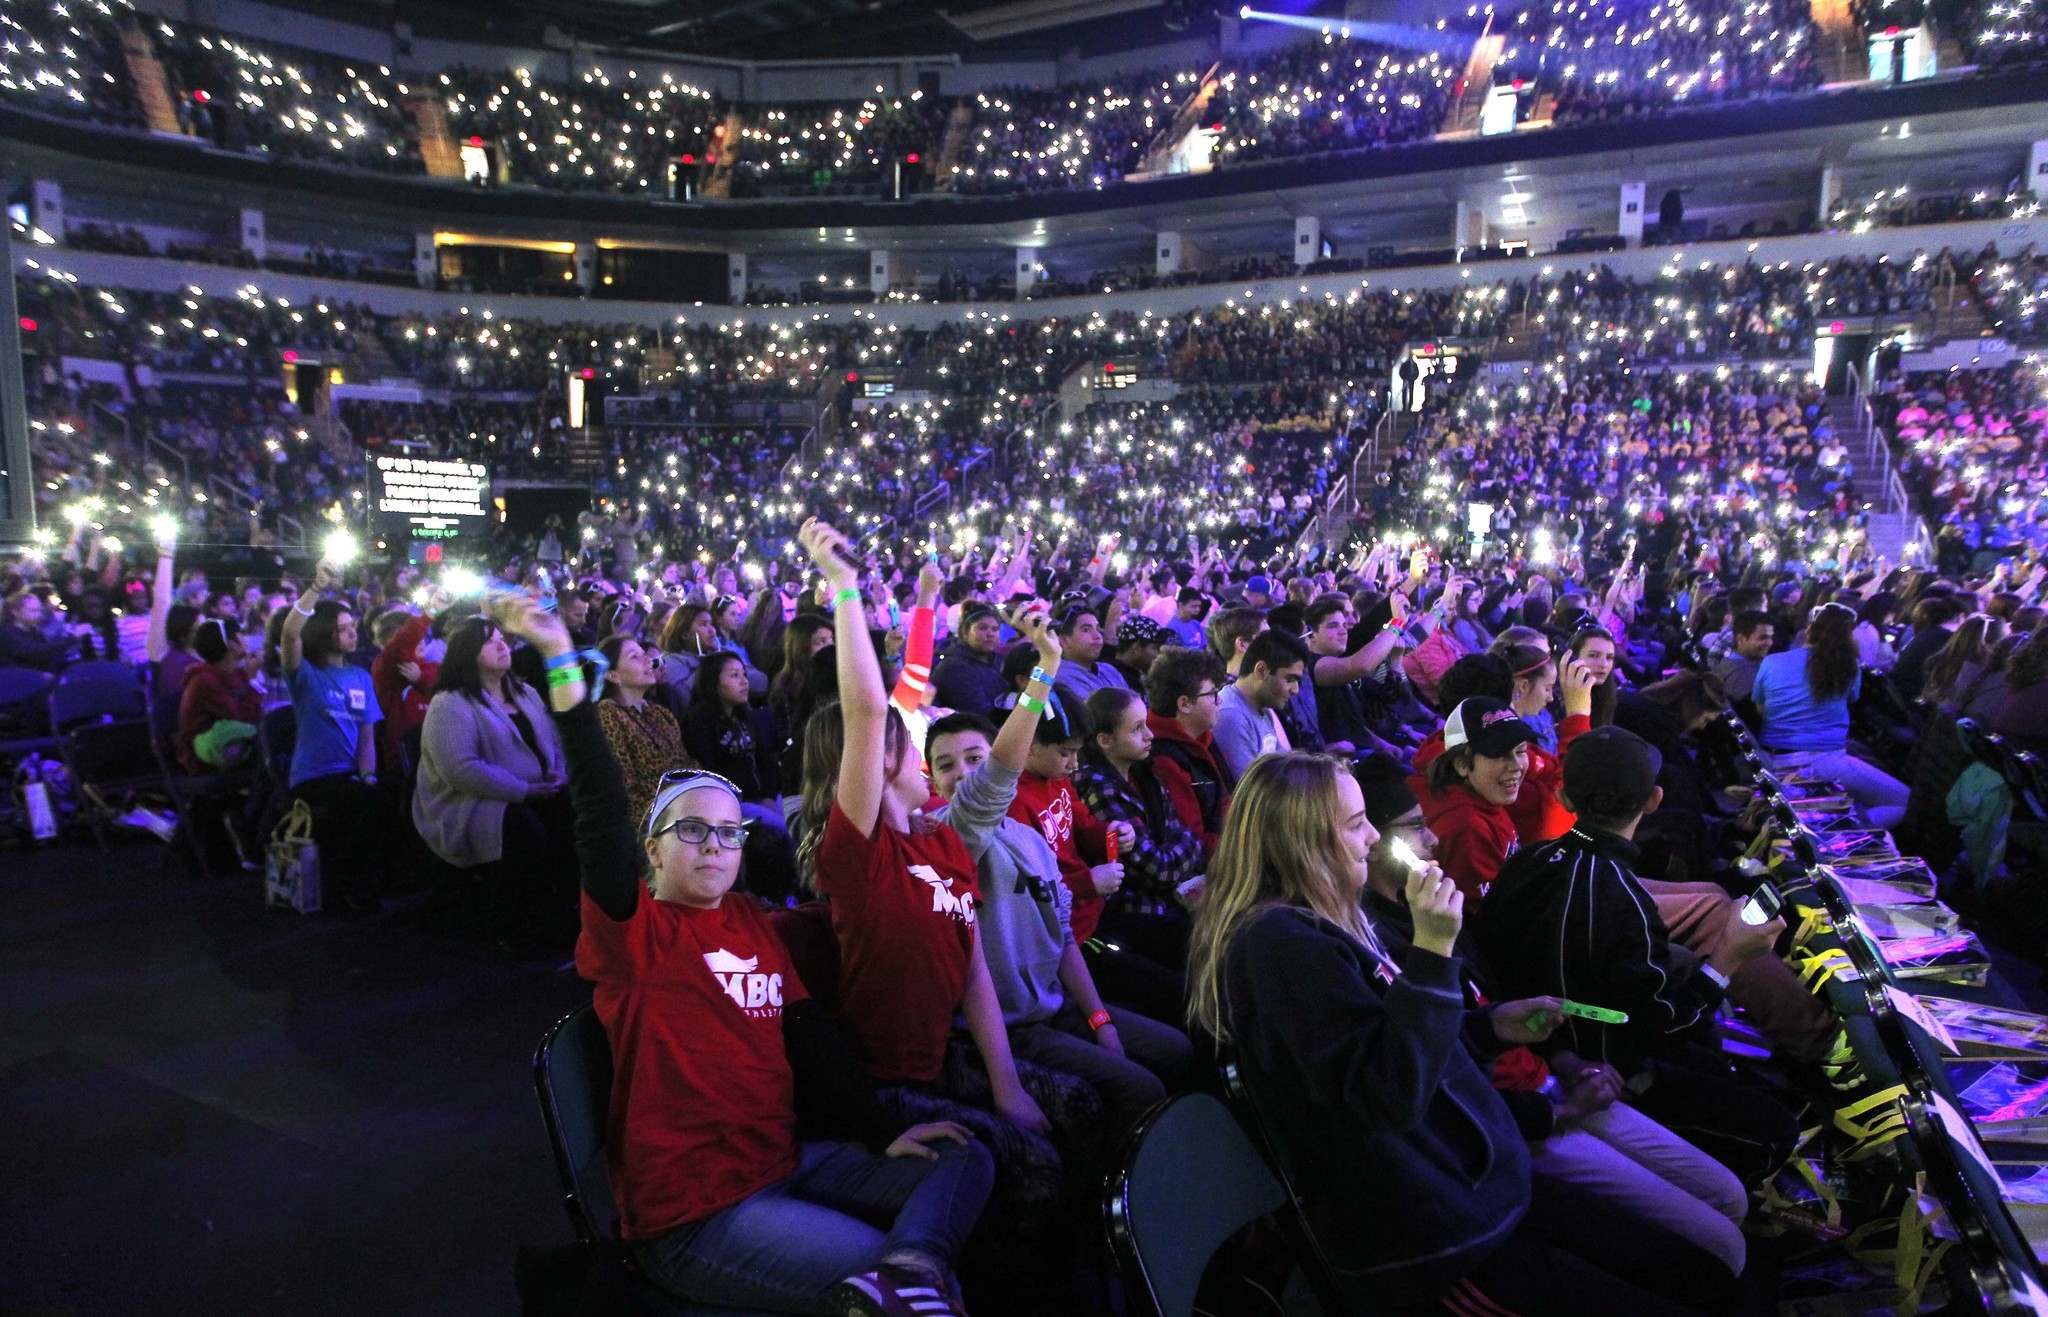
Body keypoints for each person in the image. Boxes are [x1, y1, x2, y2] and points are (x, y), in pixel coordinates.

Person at [489, 594, 991, 1317]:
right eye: (692, 831)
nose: (717, 845)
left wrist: (882, 1132)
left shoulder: (750, 921)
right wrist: (563, 663)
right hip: (697, 1212)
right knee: (890, 1286)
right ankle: (905, 1273)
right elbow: (599, 807)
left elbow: (810, 1036)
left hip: (783, 1159)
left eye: (730, 833)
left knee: (964, 1157)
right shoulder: (633, 931)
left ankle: (913, 1261)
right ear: (652, 852)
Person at [1185, 752, 1715, 1316]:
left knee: (1698, 1272)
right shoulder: (1279, 947)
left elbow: (1381, 1043)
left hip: (1479, 1183)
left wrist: (1486, 1028)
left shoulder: (1320, 920)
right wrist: (1433, 952)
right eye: (1353, 823)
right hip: (1437, 1241)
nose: (1370, 838)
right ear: (1301, 842)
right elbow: (1385, 1094)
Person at [1356, 759, 1748, 1283]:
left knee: (1730, 1197)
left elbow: (1486, 1009)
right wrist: (1729, 961)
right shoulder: (1390, 945)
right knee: (1725, 1249)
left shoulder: (1430, 905)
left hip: (1549, 1082)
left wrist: (1563, 1059)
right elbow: (1438, 1090)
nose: (1430, 838)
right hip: (1517, 1128)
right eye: (1412, 828)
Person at [793, 518, 1074, 1208]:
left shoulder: (941, 838)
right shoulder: (855, 855)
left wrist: (1044, 671)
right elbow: (864, 710)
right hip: (888, 1082)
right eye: (912, 745)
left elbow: (969, 959)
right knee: (1034, 1168)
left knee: (1084, 1114)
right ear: (880, 762)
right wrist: (846, 588)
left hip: (953, 1058)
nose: (929, 758)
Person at [1474, 727, 1801, 1189]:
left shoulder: (1529, 861)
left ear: (1566, 798)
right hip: (1609, 1078)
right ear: (1653, 800)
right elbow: (1662, 1027)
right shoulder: (1623, 899)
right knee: (1778, 1128)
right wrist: (1729, 956)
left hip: (1544, 1049)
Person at [923, 640, 1192, 1134]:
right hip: (1013, 1028)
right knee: (1142, 1089)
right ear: (932, 780)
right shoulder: (945, 841)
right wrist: (1045, 670)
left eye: (975, 758)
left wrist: (1100, 1023)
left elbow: (1061, 935)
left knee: (1177, 1049)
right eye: (946, 765)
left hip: (1057, 1003)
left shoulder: (1029, 836)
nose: (963, 773)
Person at [413, 615, 573, 951]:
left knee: (576, 814)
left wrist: (558, 772)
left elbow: (553, 741)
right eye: (490, 641)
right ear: (468, 653)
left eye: (503, 638)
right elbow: (460, 769)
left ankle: (564, 909)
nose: (503, 645)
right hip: (470, 802)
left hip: (537, 789)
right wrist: (523, 791)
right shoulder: (451, 703)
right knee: (523, 828)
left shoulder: (525, 692)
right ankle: (512, 924)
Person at [1073, 686, 1209, 1019]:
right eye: (1136, 729)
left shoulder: (1143, 772)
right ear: (1105, 740)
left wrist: (1180, 848)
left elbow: (1187, 835)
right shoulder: (1098, 787)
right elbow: (1156, 869)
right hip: (1132, 917)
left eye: (1146, 724)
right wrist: (1183, 849)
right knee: (1207, 967)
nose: (1150, 735)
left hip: (1166, 906)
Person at [278, 563, 383, 909]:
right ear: (324, 634)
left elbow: (367, 735)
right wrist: (316, 589)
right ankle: (351, 894)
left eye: (353, 626)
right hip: (314, 776)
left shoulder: (360, 676)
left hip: (350, 775)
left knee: (377, 799)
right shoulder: (305, 675)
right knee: (355, 810)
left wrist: (368, 775)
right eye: (344, 628)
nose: (354, 632)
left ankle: (363, 889)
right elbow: (290, 635)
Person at [1752, 602, 1909, 828]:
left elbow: (1761, 709)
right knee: (1905, 801)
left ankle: (1842, 824)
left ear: (1809, 629)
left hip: (1776, 759)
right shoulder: (1848, 666)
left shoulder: (1772, 661)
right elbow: (1852, 700)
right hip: (1826, 761)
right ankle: (1845, 829)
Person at [594, 634, 693, 831]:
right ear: (613, 675)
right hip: (653, 823)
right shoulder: (608, 715)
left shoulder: (660, 713)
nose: (649, 660)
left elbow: (684, 764)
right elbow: (626, 789)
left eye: (644, 654)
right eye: (634, 656)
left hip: (686, 807)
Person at [1141, 645, 1231, 852]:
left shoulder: (1202, 737)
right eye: (1213, 694)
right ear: (1185, 704)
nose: (1220, 701)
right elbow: (1195, 842)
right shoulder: (1163, 760)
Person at [680, 650, 782, 813]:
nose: (744, 682)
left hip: (761, 797)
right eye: (734, 676)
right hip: (727, 805)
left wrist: (769, 796)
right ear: (713, 682)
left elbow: (764, 758)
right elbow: (709, 772)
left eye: (744, 674)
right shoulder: (697, 722)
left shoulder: (744, 714)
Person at [1212, 629, 1308, 780]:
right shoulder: (1231, 716)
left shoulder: (1263, 708)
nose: (1295, 690)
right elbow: (1252, 792)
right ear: (1261, 670)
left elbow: (1285, 769)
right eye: (1290, 679)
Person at [175, 617, 261, 773]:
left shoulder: (235, 673)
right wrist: (253, 681)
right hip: (206, 754)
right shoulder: (204, 681)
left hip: (235, 741)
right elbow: (241, 716)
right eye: (240, 634)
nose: (245, 638)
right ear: (232, 645)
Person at [930, 602, 1007, 717]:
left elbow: (1018, 694)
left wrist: (1037, 707)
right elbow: (984, 715)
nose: (990, 634)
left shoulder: (998, 660)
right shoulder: (953, 667)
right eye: (982, 628)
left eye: (995, 629)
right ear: (965, 632)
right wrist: (1032, 713)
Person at [1047, 604, 1128, 700]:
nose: (1097, 636)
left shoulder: (1108, 669)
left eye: (1098, 629)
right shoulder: (1058, 678)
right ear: (1064, 640)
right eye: (1086, 630)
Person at [1711, 611, 1775, 703]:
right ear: (1740, 639)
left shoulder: (1728, 660)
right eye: (1763, 638)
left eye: (1771, 637)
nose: (1770, 643)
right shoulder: (1744, 678)